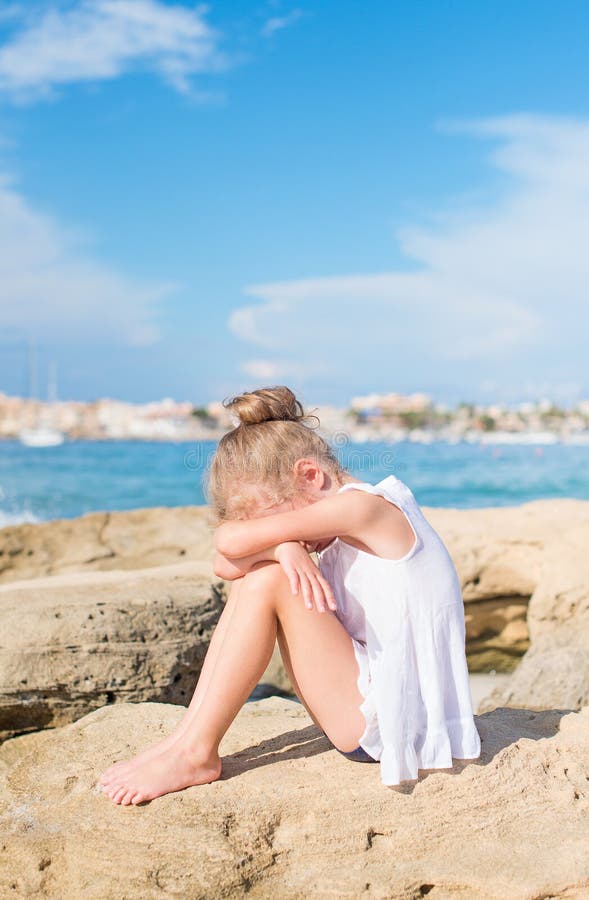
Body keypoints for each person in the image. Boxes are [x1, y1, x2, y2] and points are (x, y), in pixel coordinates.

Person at [100, 386, 481, 805]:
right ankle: (186, 741)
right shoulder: (336, 520)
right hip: (365, 708)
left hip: (396, 725)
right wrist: (283, 546)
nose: (296, 537)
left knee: (270, 579)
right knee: (259, 575)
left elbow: (229, 542)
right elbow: (226, 564)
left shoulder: (365, 509)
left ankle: (195, 752)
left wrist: (279, 548)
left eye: (280, 522)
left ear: (310, 477)